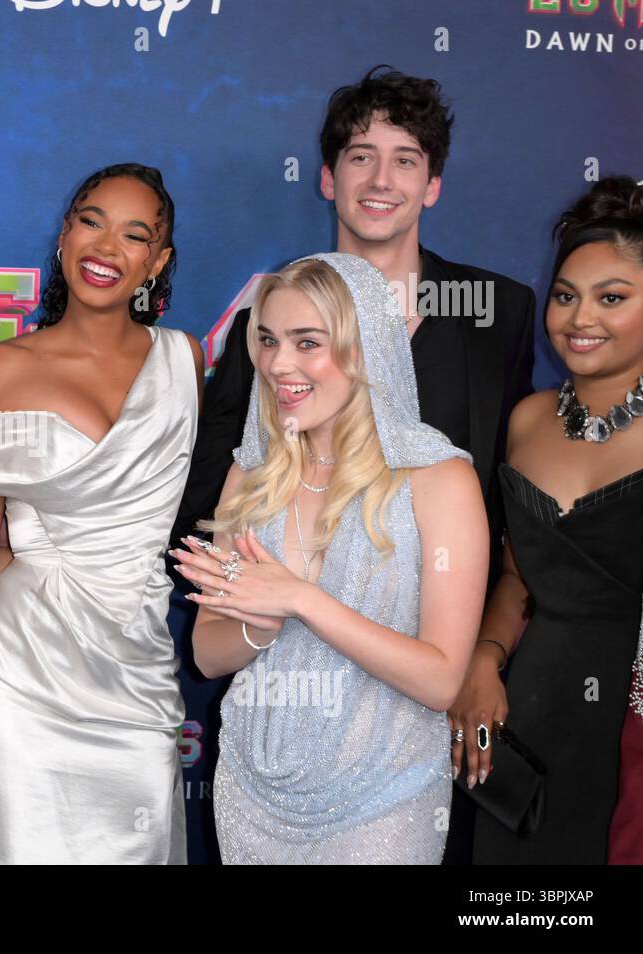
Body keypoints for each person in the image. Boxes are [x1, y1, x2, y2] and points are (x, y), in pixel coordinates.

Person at [0, 164, 204, 864]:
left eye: (136, 234)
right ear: (65, 232)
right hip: (16, 685)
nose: (106, 246)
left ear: (157, 262)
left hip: (139, 680)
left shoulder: (185, 360)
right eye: (91, 219)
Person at [170, 253, 488, 863]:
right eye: (267, 340)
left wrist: (300, 599)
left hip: (384, 796)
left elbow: (443, 678)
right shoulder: (252, 472)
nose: (277, 363)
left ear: (365, 349)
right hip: (252, 784)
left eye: (306, 342)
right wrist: (258, 626)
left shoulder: (437, 477)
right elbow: (208, 656)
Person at [173, 67, 534, 596]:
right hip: (294, 636)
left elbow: (515, 499)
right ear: (327, 178)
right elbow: (207, 506)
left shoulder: (496, 312)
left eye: (405, 160)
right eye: (362, 156)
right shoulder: (264, 328)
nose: (381, 180)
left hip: (447, 639)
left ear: (432, 185)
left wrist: (487, 644)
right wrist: (260, 606)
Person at [450, 177, 643, 864]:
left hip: (630, 726)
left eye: (611, 298)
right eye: (566, 295)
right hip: (527, 712)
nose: (579, 317)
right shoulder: (528, 418)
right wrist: (483, 658)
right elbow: (517, 575)